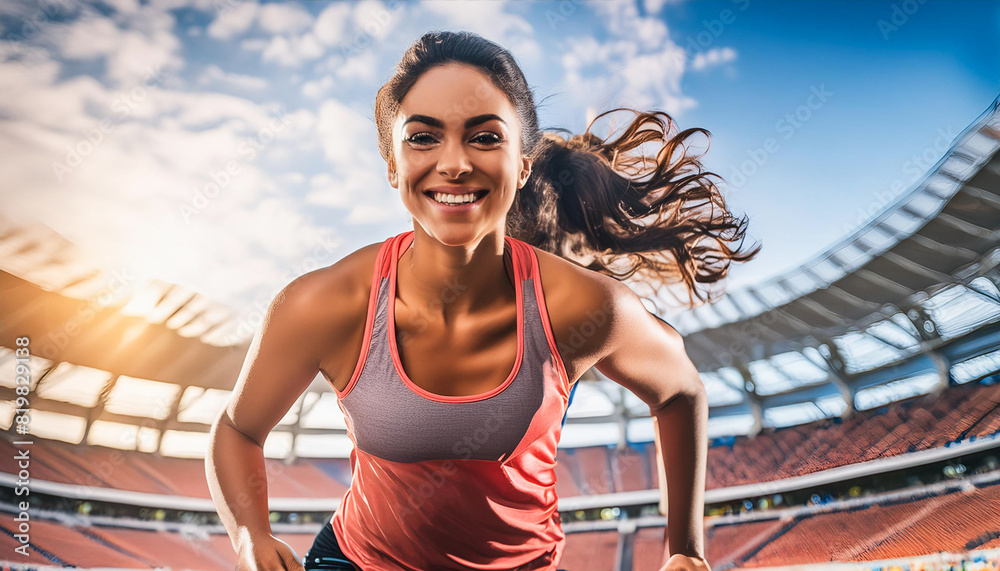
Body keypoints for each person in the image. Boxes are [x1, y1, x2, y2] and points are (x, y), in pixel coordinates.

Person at [206, 30, 759, 571]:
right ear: (392, 163)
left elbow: (680, 390)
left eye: (485, 137)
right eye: (422, 137)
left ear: (522, 164)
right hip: (356, 560)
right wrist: (250, 535)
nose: (454, 163)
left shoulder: (581, 310)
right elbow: (236, 429)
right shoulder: (325, 305)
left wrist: (685, 547)